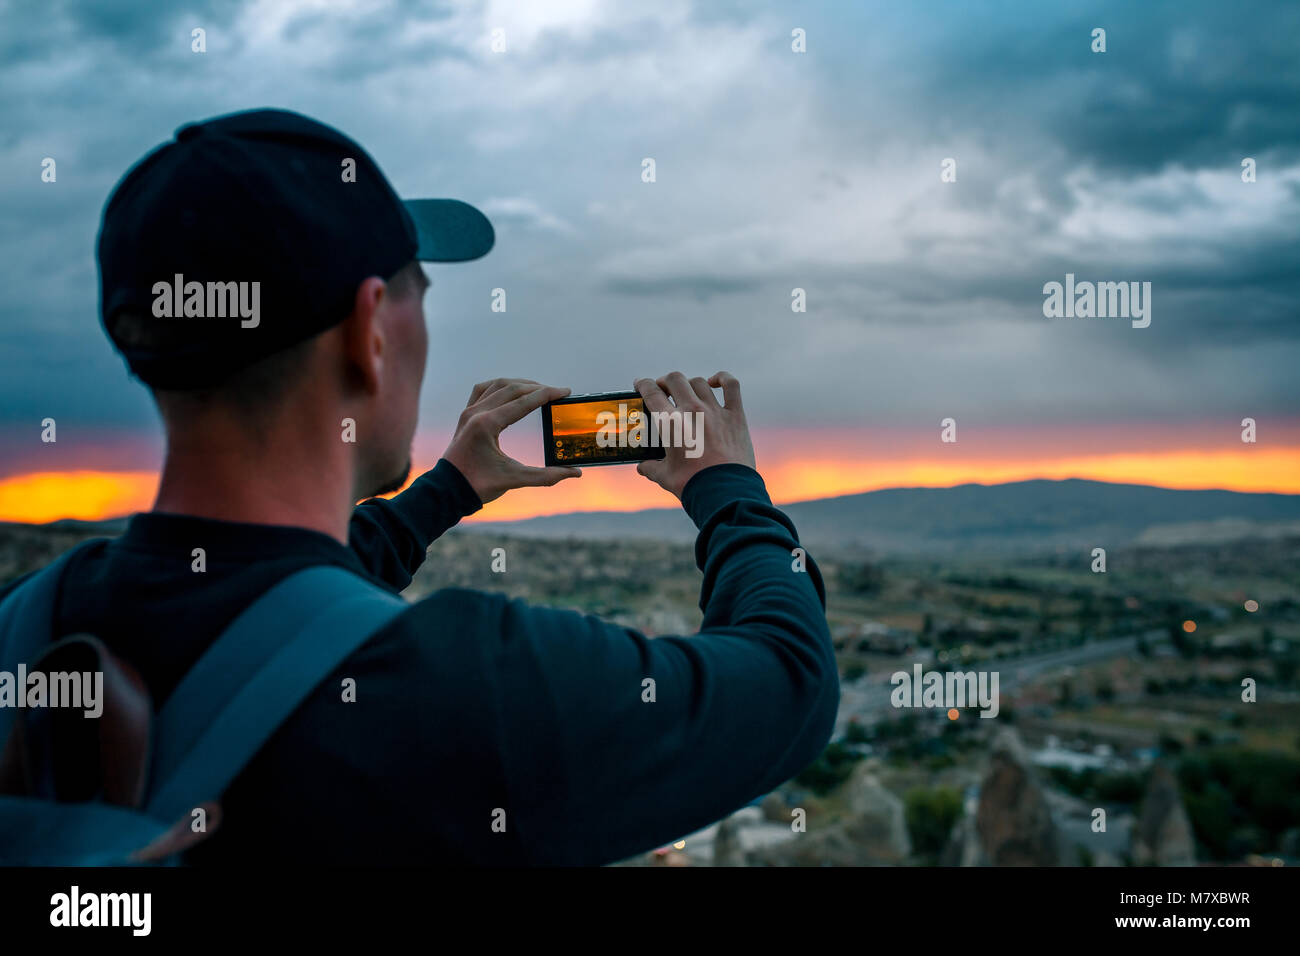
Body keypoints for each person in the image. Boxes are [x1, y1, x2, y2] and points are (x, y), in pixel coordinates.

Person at [0, 108, 838, 864]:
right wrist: (728, 490)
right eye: (419, 293)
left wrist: (449, 489)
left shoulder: (29, 622)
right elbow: (790, 683)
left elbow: (256, 591)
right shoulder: (469, 691)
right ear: (370, 331)